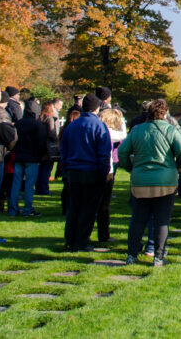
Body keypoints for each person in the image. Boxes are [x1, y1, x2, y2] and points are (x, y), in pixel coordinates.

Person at [118, 99, 181, 266]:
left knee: (137, 219)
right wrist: (178, 167)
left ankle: (131, 255)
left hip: (141, 180)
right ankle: (158, 256)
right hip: (165, 181)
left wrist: (131, 168)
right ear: (165, 114)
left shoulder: (137, 130)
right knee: (162, 220)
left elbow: (122, 151)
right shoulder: (170, 130)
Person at [60, 93, 112, 252]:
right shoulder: (98, 125)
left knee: (74, 207)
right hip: (92, 171)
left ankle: (70, 239)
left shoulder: (72, 125)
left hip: (74, 171)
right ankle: (81, 241)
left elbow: (64, 149)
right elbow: (104, 151)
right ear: (97, 108)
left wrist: (66, 168)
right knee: (88, 209)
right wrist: (104, 172)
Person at [9, 98, 47, 217]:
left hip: (19, 156)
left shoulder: (18, 124)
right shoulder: (37, 124)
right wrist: (41, 155)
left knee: (16, 185)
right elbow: (41, 142)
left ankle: (13, 210)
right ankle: (27, 209)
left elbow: (13, 140)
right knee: (29, 185)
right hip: (32, 157)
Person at [96, 108, 128, 244]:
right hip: (105, 169)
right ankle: (103, 235)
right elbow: (123, 135)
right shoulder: (107, 131)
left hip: (91, 168)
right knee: (103, 205)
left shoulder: (96, 129)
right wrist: (121, 121)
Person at [36, 101, 61, 196]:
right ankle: (44, 189)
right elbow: (51, 132)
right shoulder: (50, 119)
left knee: (42, 168)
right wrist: (56, 138)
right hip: (49, 147)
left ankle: (40, 187)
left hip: (41, 146)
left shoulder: (40, 118)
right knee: (46, 169)